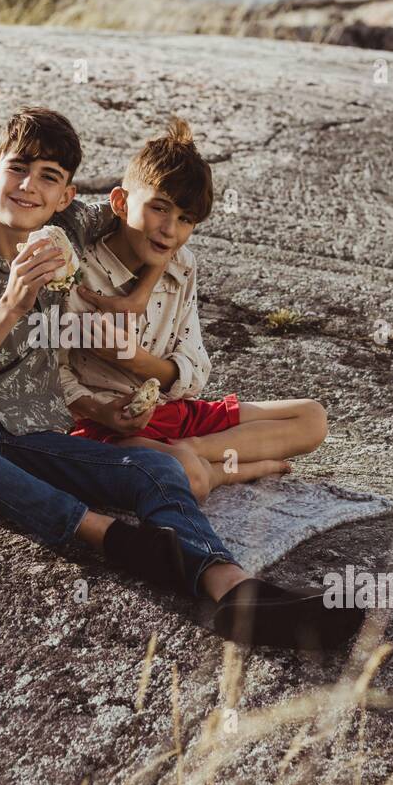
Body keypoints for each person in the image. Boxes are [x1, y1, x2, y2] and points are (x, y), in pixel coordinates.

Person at [0, 106, 363, 651]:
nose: (28, 187)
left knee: (153, 465)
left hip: (35, 440)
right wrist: (10, 307)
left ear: (66, 197)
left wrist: (135, 295)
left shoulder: (69, 227)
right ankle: (103, 535)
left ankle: (231, 589)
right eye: (17, 169)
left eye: (49, 178)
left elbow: (156, 225)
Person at [59, 116, 329, 504]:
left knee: (311, 418)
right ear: (120, 202)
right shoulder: (77, 271)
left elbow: (194, 369)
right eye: (159, 208)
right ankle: (224, 468)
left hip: (175, 415)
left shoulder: (180, 264)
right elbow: (54, 372)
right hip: (108, 426)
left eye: (186, 219)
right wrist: (103, 412)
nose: (170, 229)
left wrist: (134, 360)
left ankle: (200, 453)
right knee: (188, 478)